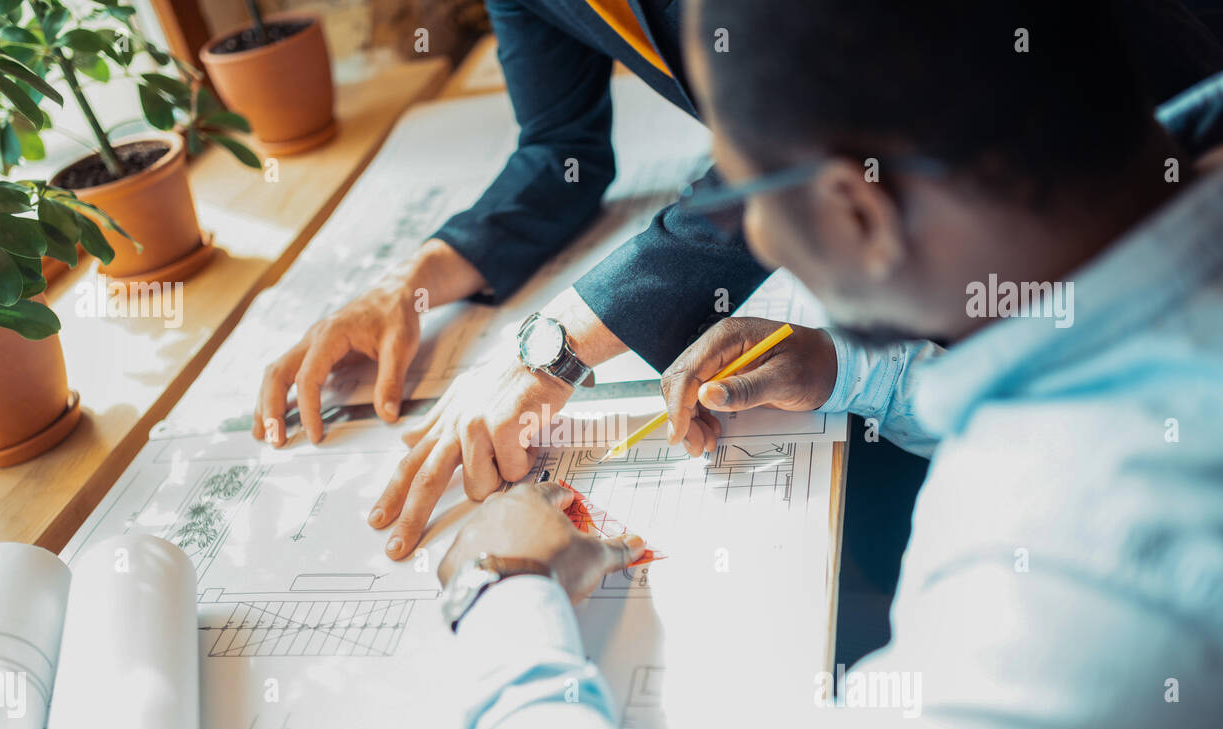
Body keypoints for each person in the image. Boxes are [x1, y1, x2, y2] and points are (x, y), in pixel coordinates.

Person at [357, 1, 1223, 729]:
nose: (759, 238)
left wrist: (502, 595)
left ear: (856, 208)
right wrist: (855, 372)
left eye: (751, 191)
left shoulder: (1072, 595)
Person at [254, 0, 1223, 565]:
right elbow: (559, 153)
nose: (767, 234)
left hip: (1100, 148)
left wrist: (548, 353)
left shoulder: (1085, 524)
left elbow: (794, 145)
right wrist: (419, 283)